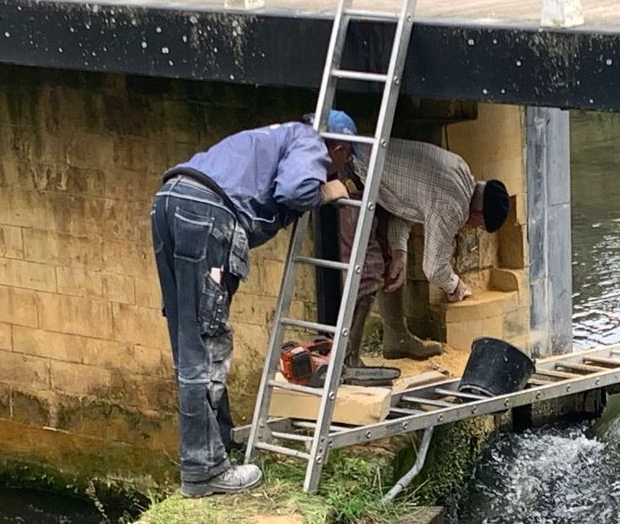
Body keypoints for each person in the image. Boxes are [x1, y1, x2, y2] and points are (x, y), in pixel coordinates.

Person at [150, 111, 357, 498]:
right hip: (207, 213)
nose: (341, 168)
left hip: (169, 200)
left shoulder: (270, 136)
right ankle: (204, 471)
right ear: (339, 148)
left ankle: (217, 444)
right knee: (206, 342)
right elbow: (295, 191)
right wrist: (328, 191)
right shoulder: (309, 141)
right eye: (345, 161)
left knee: (188, 336)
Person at [339, 138, 511, 367]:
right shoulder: (454, 204)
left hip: (372, 175)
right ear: (478, 216)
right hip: (350, 172)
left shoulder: (460, 171)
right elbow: (434, 268)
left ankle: (396, 339)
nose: (471, 228)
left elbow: (403, 205)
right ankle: (346, 359)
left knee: (389, 260)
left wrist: (400, 252)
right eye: (477, 226)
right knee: (369, 269)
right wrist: (455, 286)